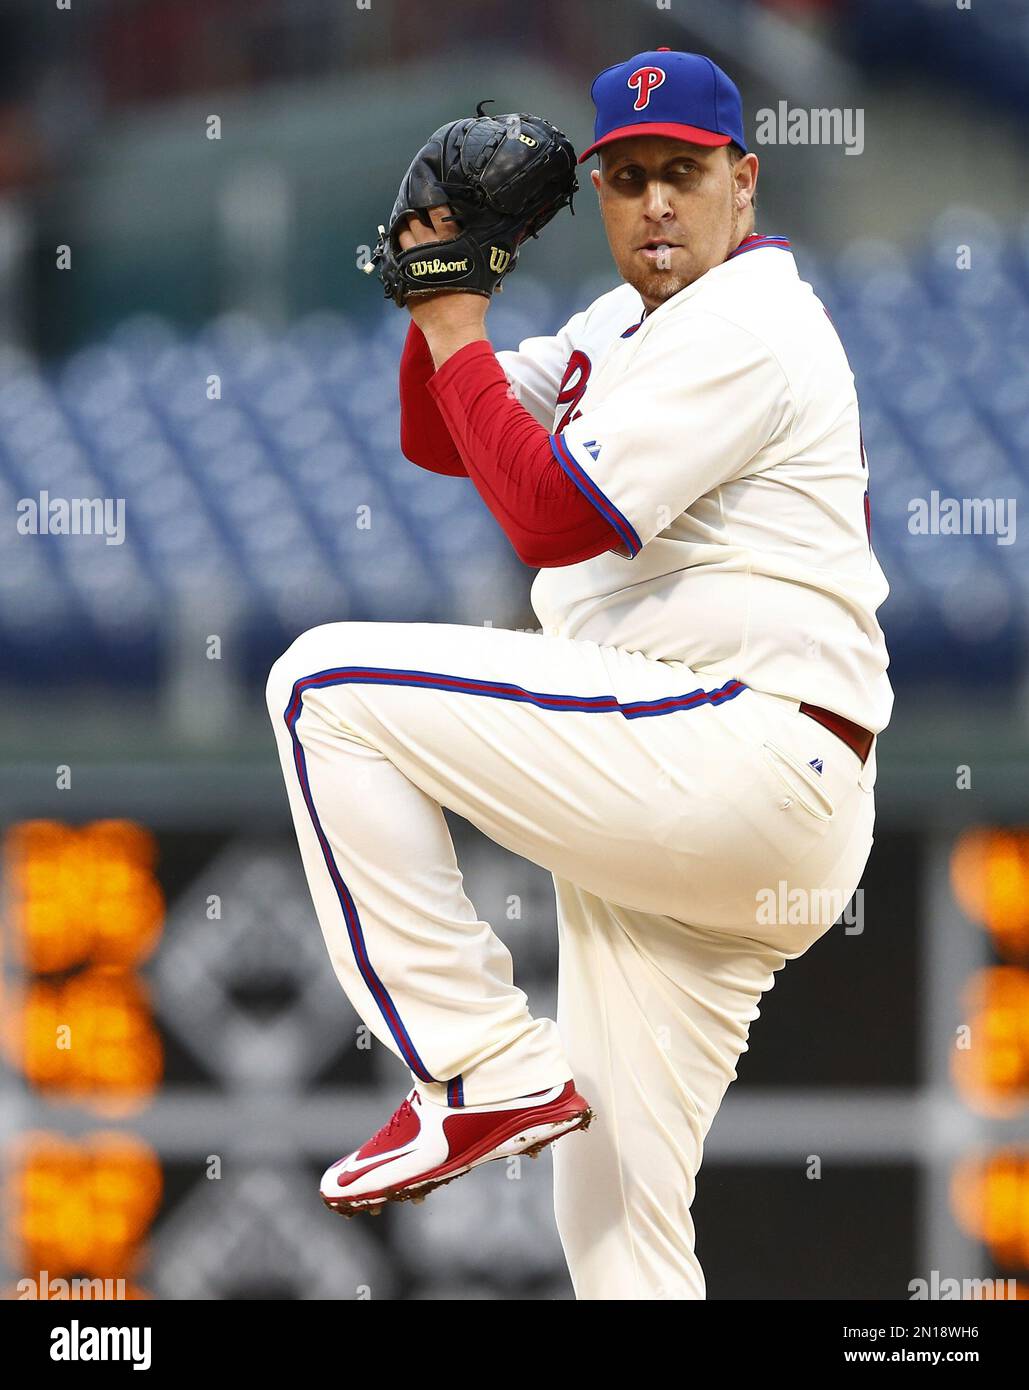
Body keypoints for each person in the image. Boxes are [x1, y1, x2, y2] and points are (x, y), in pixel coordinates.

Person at [266, 48, 892, 1299]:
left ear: (743, 180)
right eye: (627, 179)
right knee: (614, 1237)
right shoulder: (623, 323)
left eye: (683, 172)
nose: (655, 202)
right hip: (713, 817)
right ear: (598, 195)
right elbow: (439, 431)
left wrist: (453, 317)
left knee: (320, 687)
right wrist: (448, 278)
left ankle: (476, 1063)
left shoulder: (753, 324)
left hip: (744, 748)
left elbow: (551, 517)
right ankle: (497, 1077)